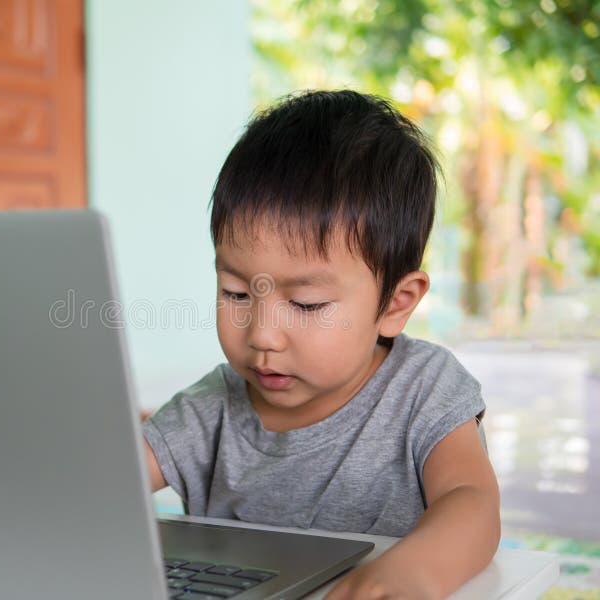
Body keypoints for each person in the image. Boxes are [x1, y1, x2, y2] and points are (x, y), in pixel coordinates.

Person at [142, 90, 500, 599]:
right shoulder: (209, 409)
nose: (262, 335)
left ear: (396, 303)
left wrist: (414, 572)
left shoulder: (424, 390)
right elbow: (105, 482)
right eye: (237, 293)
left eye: (307, 304)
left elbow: (473, 501)